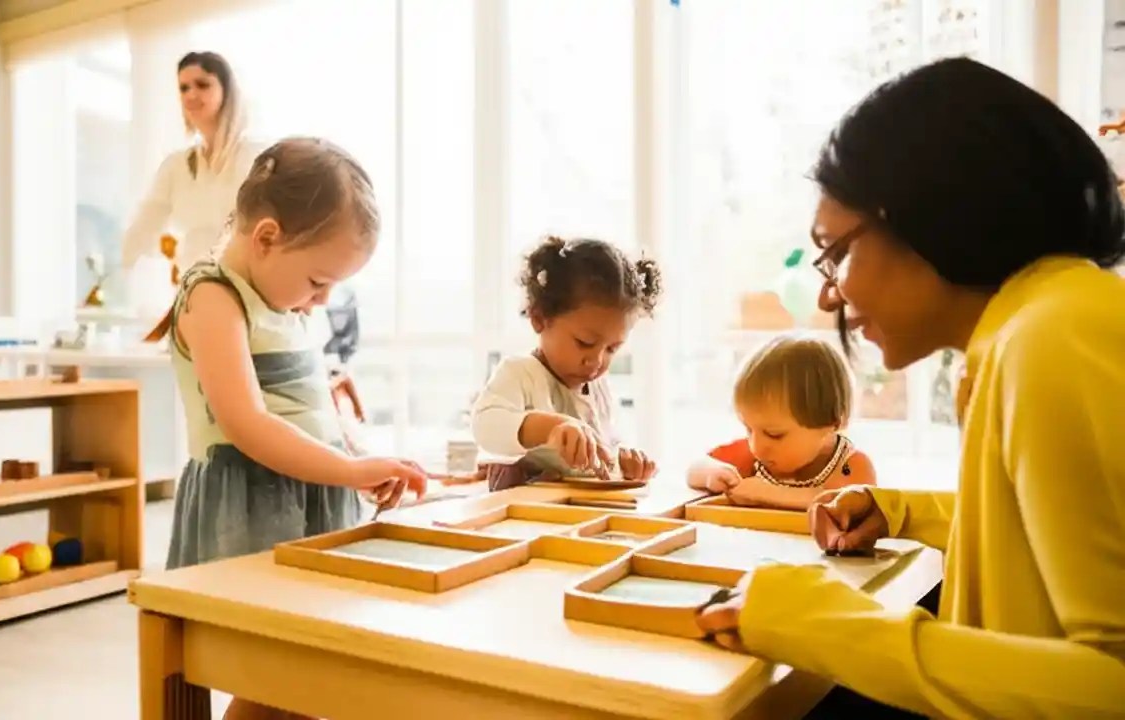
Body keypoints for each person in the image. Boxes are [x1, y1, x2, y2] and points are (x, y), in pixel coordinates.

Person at [696, 57, 1125, 718]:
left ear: (927, 213)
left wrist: (823, 624)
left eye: (837, 252)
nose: (829, 291)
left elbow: (1111, 683)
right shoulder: (1034, 328)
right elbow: (1043, 531)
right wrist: (900, 511)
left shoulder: (1055, 336)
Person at [166, 136, 427, 720]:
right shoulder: (214, 296)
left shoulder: (280, 303)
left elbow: (308, 408)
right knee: (269, 678)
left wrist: (360, 457)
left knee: (310, 675)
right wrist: (349, 468)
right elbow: (248, 425)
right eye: (317, 281)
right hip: (250, 508)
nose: (322, 299)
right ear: (266, 237)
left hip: (308, 502)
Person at [471, 236, 662, 489]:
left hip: (579, 515)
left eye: (612, 349)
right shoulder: (520, 373)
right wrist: (549, 427)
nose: (596, 361)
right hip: (526, 518)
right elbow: (485, 426)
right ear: (539, 319)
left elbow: (606, 449)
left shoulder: (598, 389)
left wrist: (624, 461)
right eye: (584, 343)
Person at [686, 335, 875, 509]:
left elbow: (841, 501)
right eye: (749, 429)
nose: (757, 447)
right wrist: (713, 473)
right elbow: (694, 469)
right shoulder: (752, 456)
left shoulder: (850, 465)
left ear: (831, 424)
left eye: (774, 434)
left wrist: (765, 492)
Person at [121, 51, 265, 281]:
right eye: (184, 88)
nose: (191, 94)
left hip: (247, 287)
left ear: (226, 91)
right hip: (196, 288)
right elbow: (144, 227)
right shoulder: (175, 166)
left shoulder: (255, 158)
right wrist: (120, 270)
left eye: (202, 84)